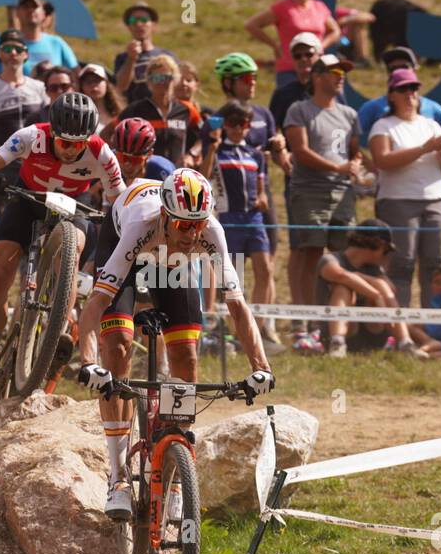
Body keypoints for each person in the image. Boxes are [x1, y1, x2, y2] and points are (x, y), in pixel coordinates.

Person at [76, 169, 274, 519]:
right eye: (184, 225)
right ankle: (118, 477)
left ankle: (175, 471)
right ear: (166, 215)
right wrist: (89, 362)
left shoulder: (210, 232)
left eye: (197, 224)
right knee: (119, 346)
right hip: (128, 249)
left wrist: (261, 367)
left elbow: (237, 306)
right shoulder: (143, 224)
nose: (191, 233)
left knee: (185, 356)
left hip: (173, 266)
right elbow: (94, 304)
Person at [0, 92, 124, 392]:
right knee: (1, 269)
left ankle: (60, 327)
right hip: (28, 199)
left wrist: (117, 222)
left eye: (78, 144)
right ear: (52, 132)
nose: (70, 150)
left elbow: (121, 203)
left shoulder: (102, 153)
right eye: (65, 142)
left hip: (73, 204)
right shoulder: (30, 137)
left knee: (75, 246)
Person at [284, 53, 362, 353]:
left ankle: (335, 328)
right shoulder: (299, 109)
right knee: (310, 254)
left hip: (343, 194)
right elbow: (300, 152)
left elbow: (355, 152)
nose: (341, 75)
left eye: (343, 70)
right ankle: (305, 325)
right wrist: (340, 168)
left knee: (342, 258)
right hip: (310, 191)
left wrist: (356, 165)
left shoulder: (349, 114)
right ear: (317, 77)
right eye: (334, 71)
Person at [368, 66, 441, 307]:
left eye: (414, 88)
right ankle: (401, 327)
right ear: (391, 95)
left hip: (435, 198)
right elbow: (382, 161)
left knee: (436, 264)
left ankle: (432, 325)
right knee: (401, 264)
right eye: (403, 89)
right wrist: (423, 149)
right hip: (398, 200)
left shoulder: (430, 125)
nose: (410, 94)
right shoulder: (383, 126)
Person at [316, 218, 441, 359]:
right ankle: (337, 344)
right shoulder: (330, 260)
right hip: (340, 331)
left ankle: (405, 344)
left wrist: (371, 281)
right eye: (386, 250)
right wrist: (375, 294)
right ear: (378, 244)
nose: (387, 256)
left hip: (371, 334)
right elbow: (342, 276)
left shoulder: (374, 268)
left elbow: (391, 290)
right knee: (343, 288)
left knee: (382, 285)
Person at [0, 29, 49, 253]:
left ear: (26, 54)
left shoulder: (39, 88)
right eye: (7, 48)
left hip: (37, 168)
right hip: (2, 168)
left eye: (18, 48)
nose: (12, 52)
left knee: (36, 239)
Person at [203, 99, 272, 314]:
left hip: (253, 218)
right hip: (228, 218)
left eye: (244, 123)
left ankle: (258, 324)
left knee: (266, 271)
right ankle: (232, 327)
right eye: (233, 123)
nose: (238, 129)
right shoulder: (217, 151)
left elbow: (262, 189)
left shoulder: (256, 155)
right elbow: (204, 176)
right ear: (224, 125)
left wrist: (262, 198)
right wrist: (212, 146)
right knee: (234, 277)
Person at [245, 0, 340, 89]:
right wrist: (274, 45)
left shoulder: (319, 7)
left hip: (316, 68)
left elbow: (335, 30)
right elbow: (251, 25)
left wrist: (321, 46)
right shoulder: (282, 8)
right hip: (288, 68)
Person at [0, 0, 77, 87]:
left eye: (34, 7)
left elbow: (76, 76)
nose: (30, 10)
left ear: (43, 13)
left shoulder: (57, 43)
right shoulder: (4, 45)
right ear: (17, 13)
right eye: (25, 7)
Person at [117, 55, 198, 168]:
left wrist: (191, 154)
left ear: (175, 79)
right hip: (147, 176)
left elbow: (205, 135)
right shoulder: (136, 109)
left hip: (177, 176)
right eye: (157, 78)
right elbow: (111, 132)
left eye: (166, 77)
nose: (161, 82)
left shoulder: (186, 109)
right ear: (149, 80)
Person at [114, 2, 174, 105]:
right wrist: (131, 59)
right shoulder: (122, 58)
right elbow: (120, 87)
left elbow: (176, 86)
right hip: (133, 115)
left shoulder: (167, 56)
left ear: (153, 25)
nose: (138, 24)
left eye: (143, 20)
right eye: (133, 21)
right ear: (128, 26)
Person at [79, 63, 122, 129]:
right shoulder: (76, 117)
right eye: (88, 81)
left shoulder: (122, 114)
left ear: (106, 84)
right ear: (81, 87)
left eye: (97, 80)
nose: (93, 85)